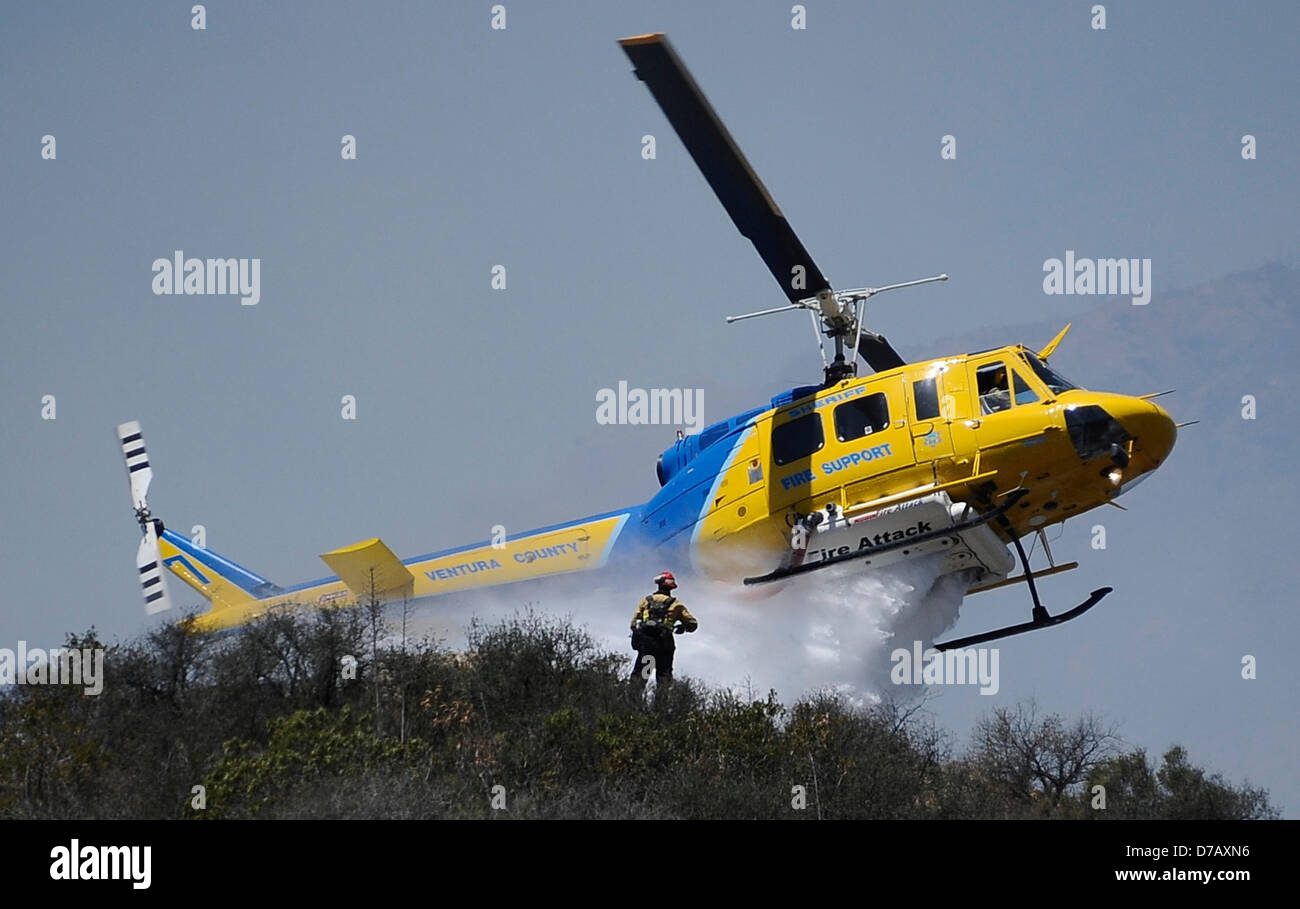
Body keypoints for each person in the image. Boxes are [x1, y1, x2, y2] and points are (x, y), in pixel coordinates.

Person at [629, 571, 697, 695]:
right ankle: (660, 710)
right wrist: (682, 627)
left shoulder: (646, 601)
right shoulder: (676, 605)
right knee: (663, 680)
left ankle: (633, 709)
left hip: (647, 647)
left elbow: (633, 623)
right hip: (664, 648)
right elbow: (693, 624)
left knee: (641, 678)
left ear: (659, 585)